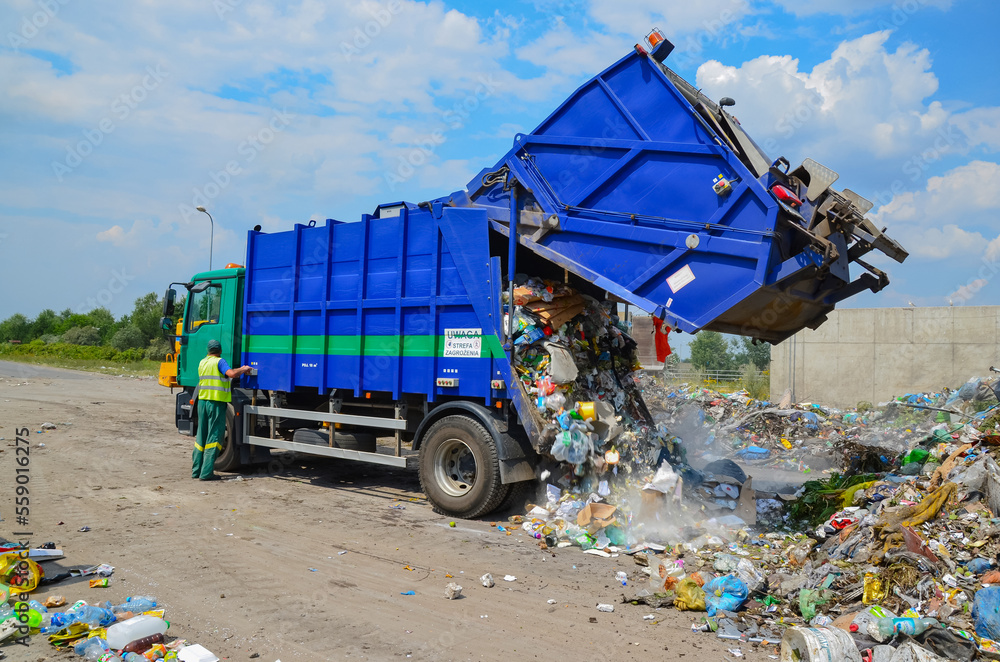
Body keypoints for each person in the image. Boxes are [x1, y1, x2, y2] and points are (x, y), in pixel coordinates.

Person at [193, 339, 252, 481]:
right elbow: (231, 374)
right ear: (219, 351)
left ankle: (196, 471)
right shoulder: (219, 362)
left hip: (202, 402)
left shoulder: (203, 362)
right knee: (214, 436)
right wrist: (243, 369)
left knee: (201, 436)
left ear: (208, 350)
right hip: (216, 403)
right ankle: (206, 473)